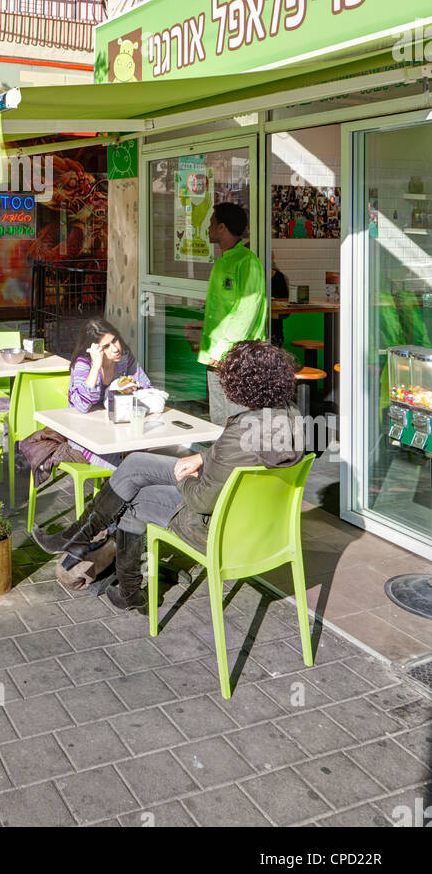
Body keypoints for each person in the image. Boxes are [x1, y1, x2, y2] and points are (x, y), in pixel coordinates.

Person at [34, 340, 305, 612]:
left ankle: (129, 590)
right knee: (136, 464)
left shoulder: (240, 433)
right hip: (252, 517)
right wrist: (202, 457)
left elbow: (201, 501)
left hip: (214, 524)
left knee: (137, 499)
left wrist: (181, 475)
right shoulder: (290, 415)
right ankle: (78, 537)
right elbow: (242, 456)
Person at [186, 203, 267, 426]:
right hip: (216, 356)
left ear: (222, 227)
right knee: (219, 420)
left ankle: (240, 462)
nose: (208, 229)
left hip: (235, 357)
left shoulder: (248, 262)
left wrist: (224, 351)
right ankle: (222, 461)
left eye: (211, 223)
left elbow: (246, 312)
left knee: (239, 421)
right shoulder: (222, 262)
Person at [66, 319, 156, 471]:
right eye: (106, 346)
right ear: (94, 349)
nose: (115, 348)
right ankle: (116, 493)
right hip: (86, 436)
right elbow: (82, 406)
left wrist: (133, 388)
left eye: (115, 340)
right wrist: (96, 366)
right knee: (121, 470)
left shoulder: (124, 359)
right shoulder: (84, 364)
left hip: (118, 429)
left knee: (145, 462)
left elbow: (147, 386)